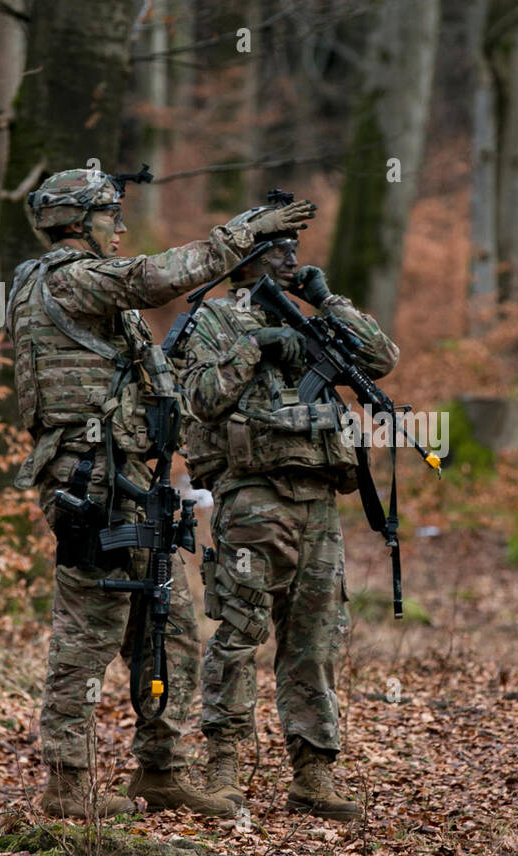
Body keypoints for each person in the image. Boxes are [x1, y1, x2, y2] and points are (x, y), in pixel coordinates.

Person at [5, 167, 316, 819]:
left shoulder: (69, 286)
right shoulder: (69, 277)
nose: (118, 227)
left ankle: (160, 770)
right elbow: (157, 277)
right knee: (88, 630)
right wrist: (243, 233)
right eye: (109, 216)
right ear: (76, 222)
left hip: (128, 480)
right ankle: (66, 787)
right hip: (90, 483)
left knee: (168, 623)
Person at [179, 198, 398, 821]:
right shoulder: (217, 320)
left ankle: (313, 773)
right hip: (254, 496)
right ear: (249, 259)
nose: (292, 258)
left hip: (319, 502)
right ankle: (222, 766)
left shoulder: (313, 319)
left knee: (316, 639)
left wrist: (328, 302)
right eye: (279, 250)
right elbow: (200, 396)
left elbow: (380, 359)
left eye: (296, 251)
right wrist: (259, 346)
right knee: (241, 631)